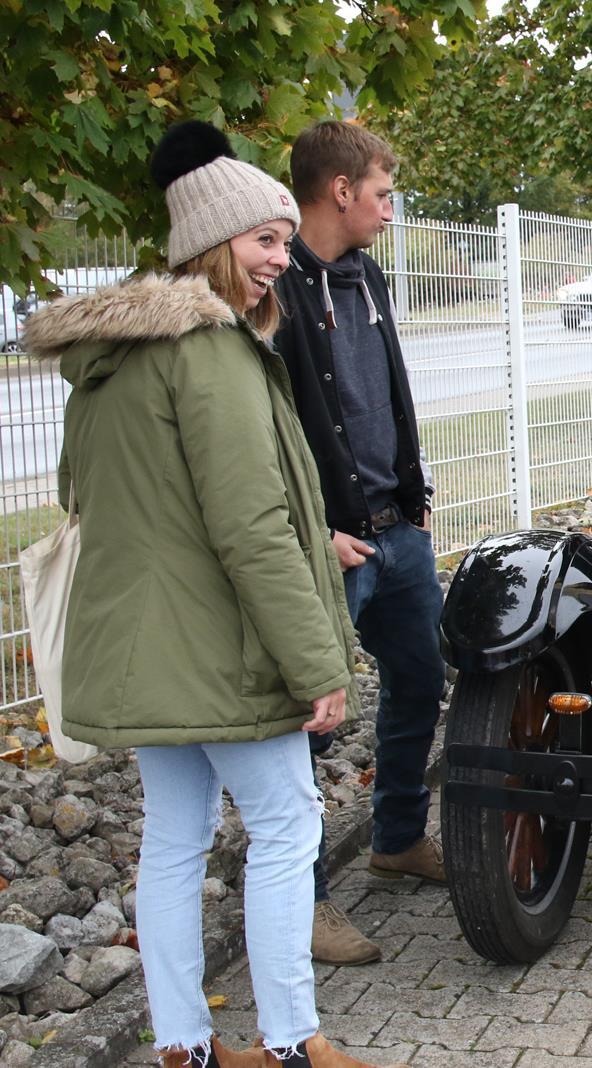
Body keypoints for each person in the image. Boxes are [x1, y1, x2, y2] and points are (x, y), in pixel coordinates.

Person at [25, 121, 396, 1068]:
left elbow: (117, 501)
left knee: (174, 842)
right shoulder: (213, 352)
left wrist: (312, 532)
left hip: (150, 647)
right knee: (286, 825)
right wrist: (318, 661)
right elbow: (245, 527)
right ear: (209, 245)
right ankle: (290, 1043)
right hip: (222, 646)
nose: (281, 258)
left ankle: (183, 1049)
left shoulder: (108, 364)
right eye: (263, 240)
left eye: (282, 236)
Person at [273, 120, 445, 965]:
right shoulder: (278, 292)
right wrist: (317, 531)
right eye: (382, 191)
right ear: (341, 190)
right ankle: (303, 906)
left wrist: (413, 501)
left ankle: (398, 838)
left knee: (420, 683)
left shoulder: (368, 277)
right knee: (308, 728)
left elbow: (392, 395)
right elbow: (270, 438)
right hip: (333, 549)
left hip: (398, 536)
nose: (389, 206)